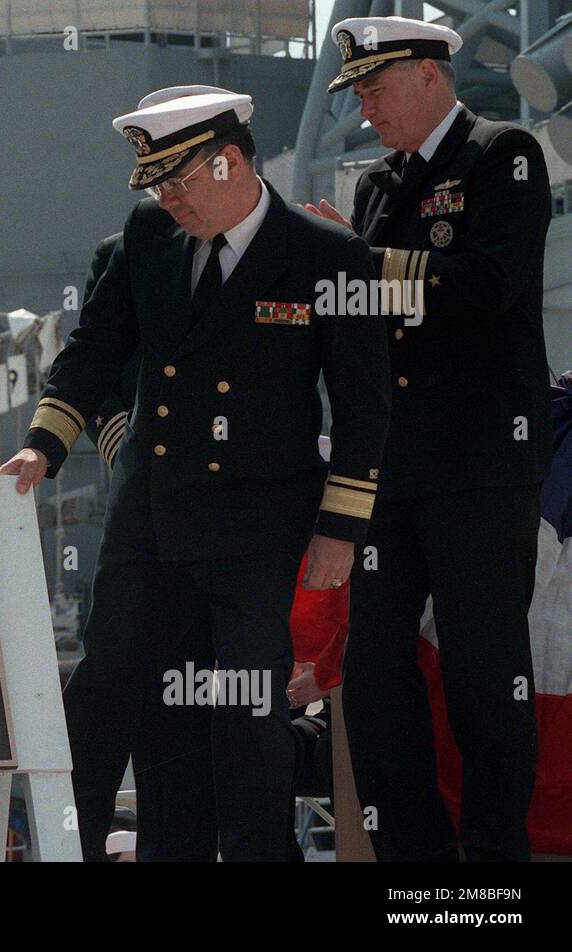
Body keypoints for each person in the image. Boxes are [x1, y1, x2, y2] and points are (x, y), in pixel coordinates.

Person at [0, 88, 390, 861]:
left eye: (177, 182)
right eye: (156, 186)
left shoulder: (328, 256)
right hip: (153, 518)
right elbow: (94, 352)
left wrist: (340, 531)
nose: (165, 200)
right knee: (107, 697)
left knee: (247, 720)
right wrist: (45, 444)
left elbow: (363, 405)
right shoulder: (147, 238)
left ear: (230, 161)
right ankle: (58, 850)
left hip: (260, 531)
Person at [307, 15, 553, 862]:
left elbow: (485, 283)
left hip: (482, 460)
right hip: (392, 466)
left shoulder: (503, 154)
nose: (367, 109)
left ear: (426, 75)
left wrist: (353, 263)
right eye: (359, 94)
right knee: (373, 675)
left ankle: (489, 875)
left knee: (487, 673)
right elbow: (367, 319)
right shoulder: (376, 187)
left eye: (374, 89)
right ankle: (415, 868)